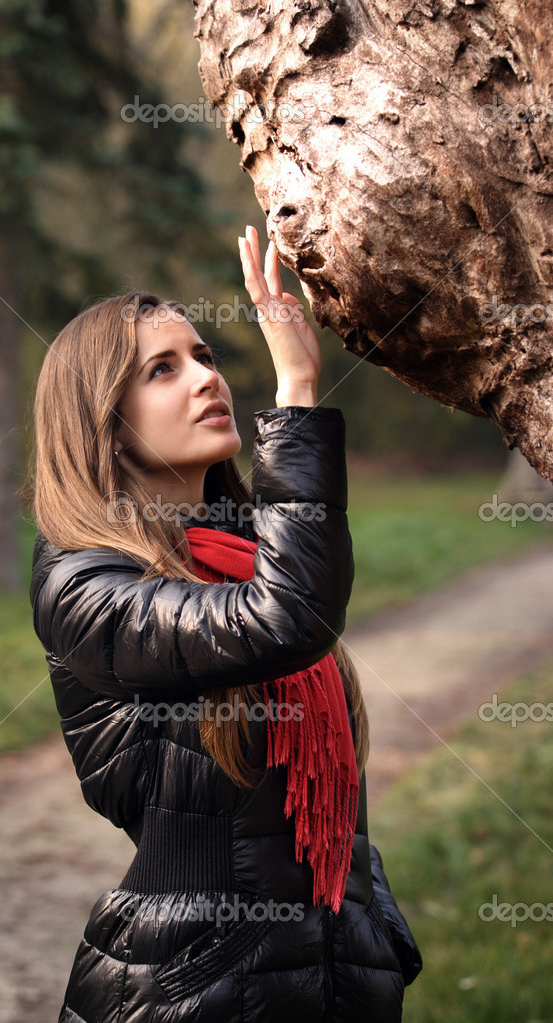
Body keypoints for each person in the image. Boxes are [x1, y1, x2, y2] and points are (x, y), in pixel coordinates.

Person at [29, 226, 422, 1023]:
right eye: (162, 369)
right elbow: (287, 616)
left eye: (204, 356)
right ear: (103, 419)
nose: (205, 378)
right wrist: (299, 393)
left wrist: (370, 924)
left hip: (336, 969)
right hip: (190, 989)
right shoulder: (82, 583)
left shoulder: (252, 553)